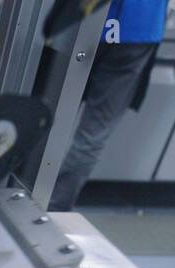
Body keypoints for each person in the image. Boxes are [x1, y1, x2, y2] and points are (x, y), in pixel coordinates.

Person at [49, 0, 167, 211]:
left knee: (48, 117)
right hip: (137, 27)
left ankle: (17, 193)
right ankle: (54, 208)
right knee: (93, 133)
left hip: (84, 20)